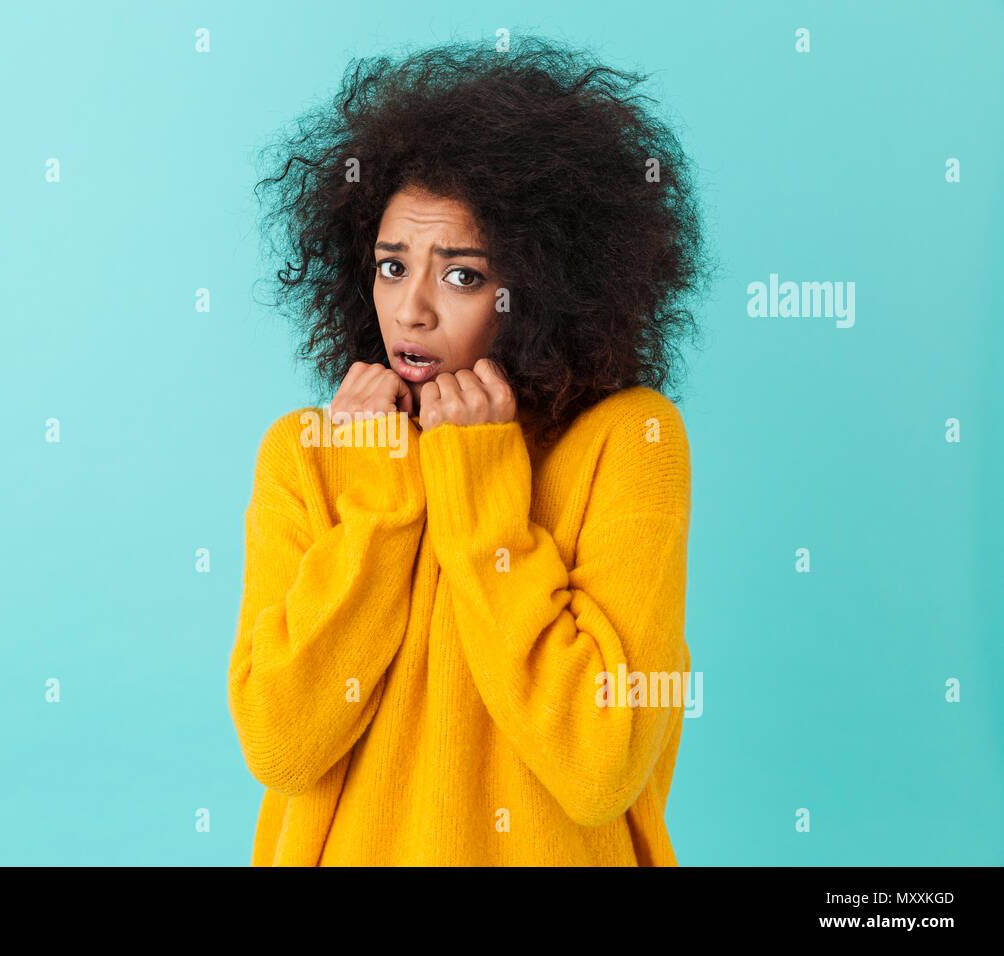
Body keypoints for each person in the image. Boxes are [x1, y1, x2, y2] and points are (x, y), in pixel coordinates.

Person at [228, 37, 712, 866]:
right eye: (390, 265)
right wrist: (380, 501)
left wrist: (481, 485)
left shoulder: (628, 443)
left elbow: (600, 770)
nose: (411, 310)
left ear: (544, 285)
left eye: (461, 276)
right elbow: (279, 746)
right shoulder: (306, 454)